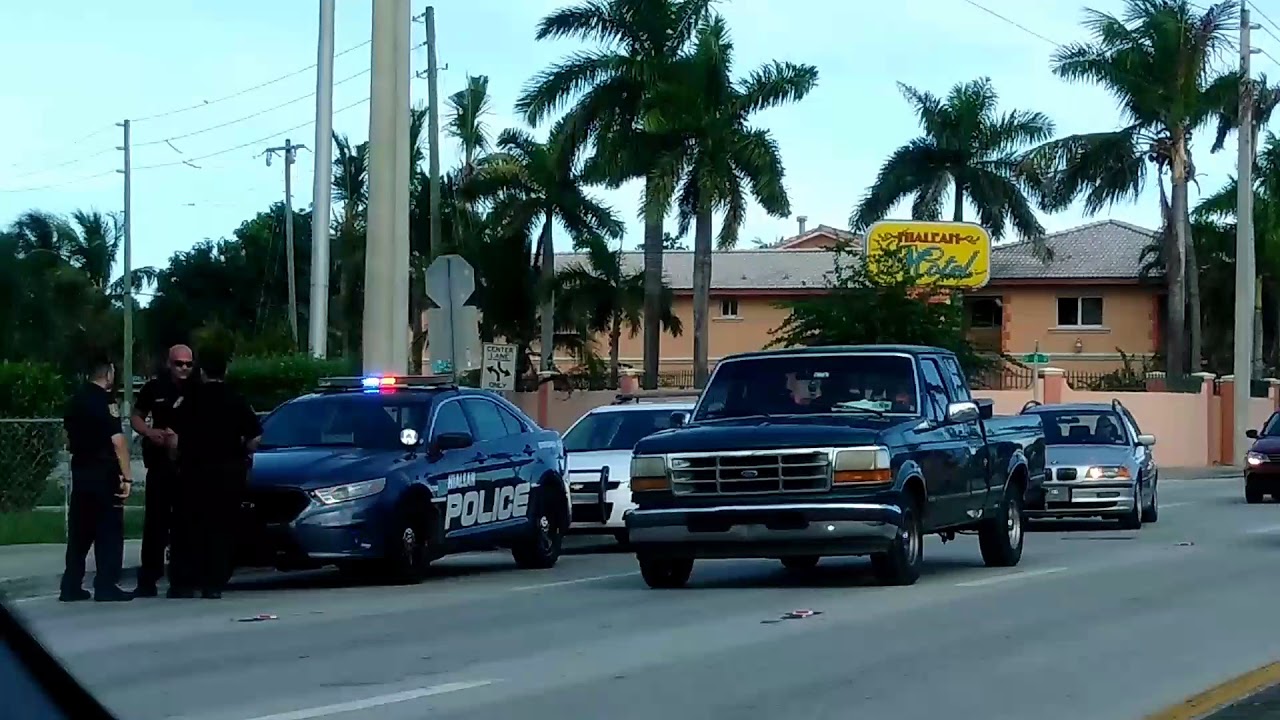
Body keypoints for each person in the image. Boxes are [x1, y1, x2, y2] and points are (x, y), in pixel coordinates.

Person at [168, 349, 261, 599]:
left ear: (202, 372)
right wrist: (241, 450)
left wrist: (176, 457)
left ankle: (182, 583)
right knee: (221, 529)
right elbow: (255, 438)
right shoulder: (237, 399)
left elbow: (173, 436)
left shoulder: (190, 398)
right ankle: (213, 584)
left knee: (187, 527)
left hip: (193, 471)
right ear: (226, 372)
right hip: (228, 473)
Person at [60, 357, 134, 603]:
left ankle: (71, 585)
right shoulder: (106, 401)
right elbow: (118, 441)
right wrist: (127, 477)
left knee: (80, 533)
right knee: (109, 531)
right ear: (109, 374)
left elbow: (68, 439)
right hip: (104, 473)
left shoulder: (76, 400)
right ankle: (106, 585)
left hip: (81, 471)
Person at [129, 344, 195, 597]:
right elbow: (137, 416)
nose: (184, 368)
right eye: (179, 363)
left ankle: (181, 581)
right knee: (155, 524)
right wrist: (149, 432)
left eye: (188, 364)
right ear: (169, 363)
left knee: (184, 525)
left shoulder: (196, 389)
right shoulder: (154, 388)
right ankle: (148, 580)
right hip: (159, 465)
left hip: (187, 465)